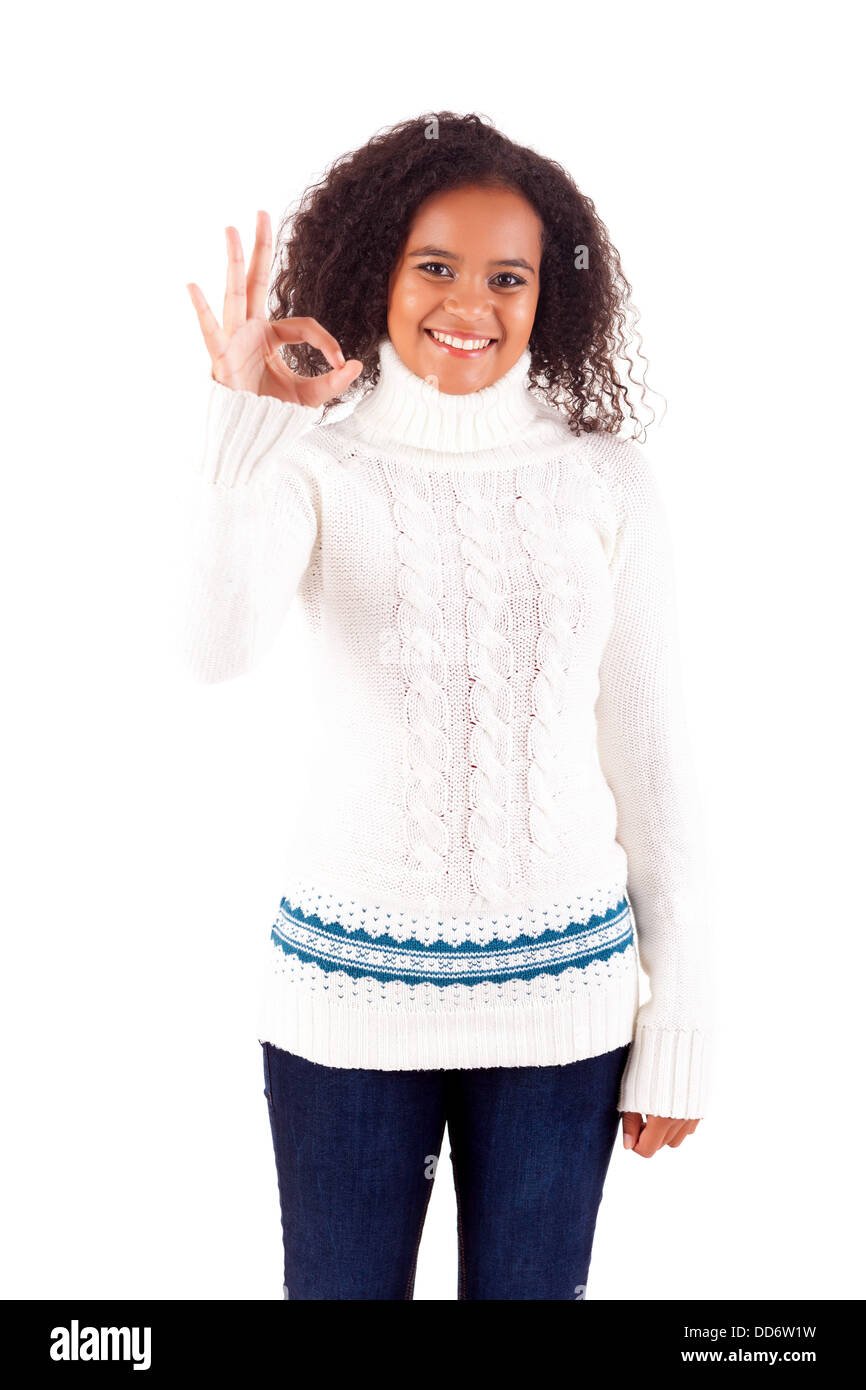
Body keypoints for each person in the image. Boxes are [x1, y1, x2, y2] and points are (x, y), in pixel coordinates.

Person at [181, 111, 710, 1301]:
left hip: (562, 1019)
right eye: (434, 265)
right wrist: (245, 424)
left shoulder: (604, 481)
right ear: (376, 269)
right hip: (343, 1008)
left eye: (506, 276)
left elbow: (659, 772)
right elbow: (209, 649)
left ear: (546, 296)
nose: (467, 302)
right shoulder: (312, 466)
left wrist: (678, 1020)